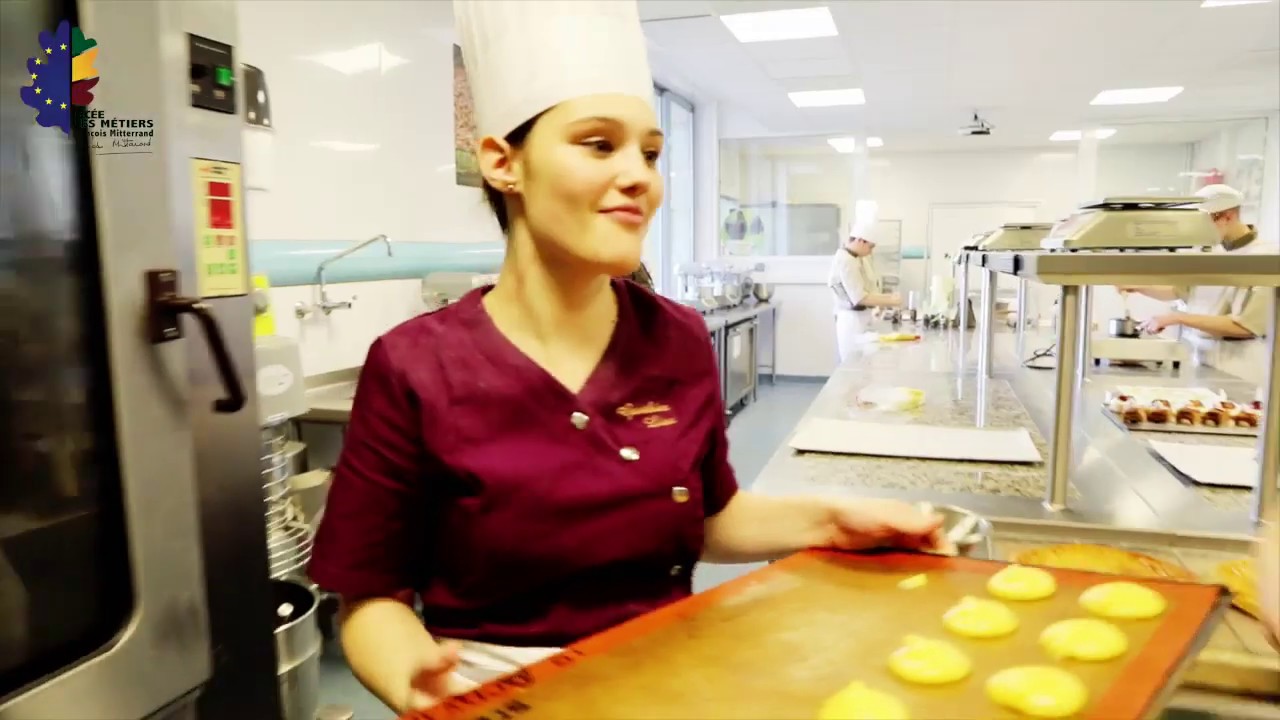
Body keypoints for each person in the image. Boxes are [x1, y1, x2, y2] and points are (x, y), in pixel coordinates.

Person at [307, 1, 949, 714]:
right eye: (597, 144)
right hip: (496, 697)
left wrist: (830, 520)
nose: (640, 176)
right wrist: (418, 684)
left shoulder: (675, 337)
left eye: (649, 152)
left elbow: (705, 517)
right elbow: (369, 595)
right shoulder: (416, 366)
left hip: (669, 679)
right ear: (502, 163)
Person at [1118, 184, 1272, 382]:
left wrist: (1178, 318)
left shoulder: (1266, 259)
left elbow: (1245, 327)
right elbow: (1180, 290)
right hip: (1202, 360)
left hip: (1240, 366)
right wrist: (1136, 286)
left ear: (1227, 217)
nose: (1198, 232)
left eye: (1203, 224)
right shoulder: (1212, 251)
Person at [828, 225, 901, 364]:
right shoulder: (845, 260)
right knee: (853, 366)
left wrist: (884, 301)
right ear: (861, 241)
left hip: (860, 318)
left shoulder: (856, 258)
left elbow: (868, 289)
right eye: (870, 247)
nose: (870, 252)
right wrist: (891, 300)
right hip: (851, 320)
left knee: (864, 367)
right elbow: (860, 298)